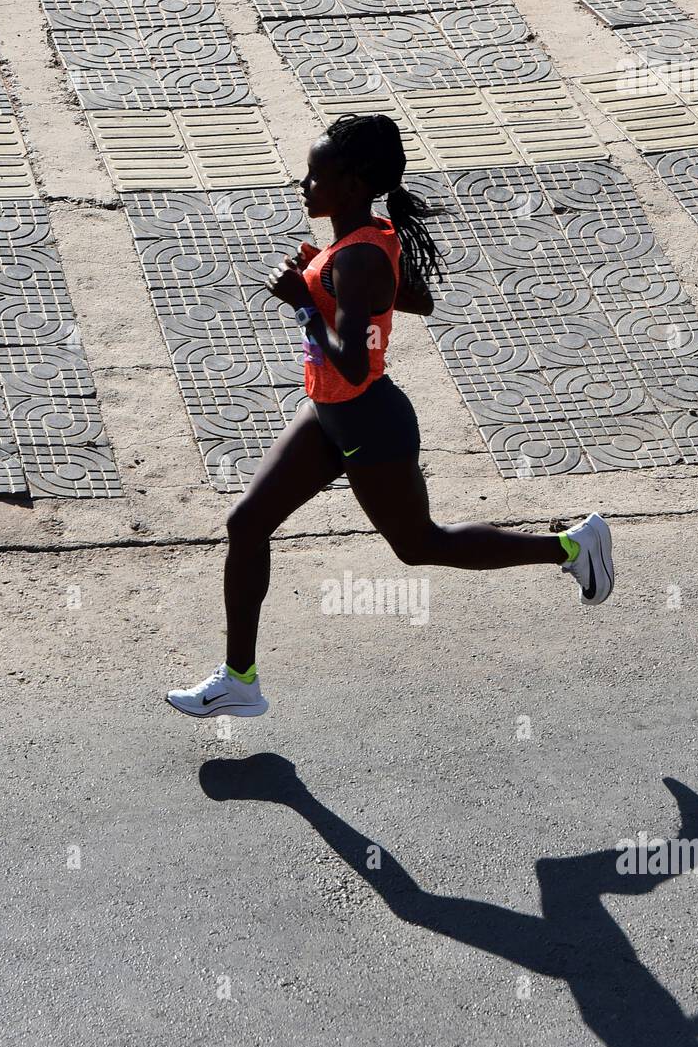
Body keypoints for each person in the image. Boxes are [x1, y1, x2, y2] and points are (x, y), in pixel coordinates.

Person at [167, 113, 614, 719]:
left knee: (420, 545)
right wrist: (325, 283)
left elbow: (353, 363)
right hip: (329, 415)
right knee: (247, 524)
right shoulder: (365, 237)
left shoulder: (358, 256)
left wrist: (305, 302)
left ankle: (571, 548)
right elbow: (417, 298)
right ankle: (239, 680)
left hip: (368, 419)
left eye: (314, 176)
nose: (303, 185)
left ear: (351, 184)